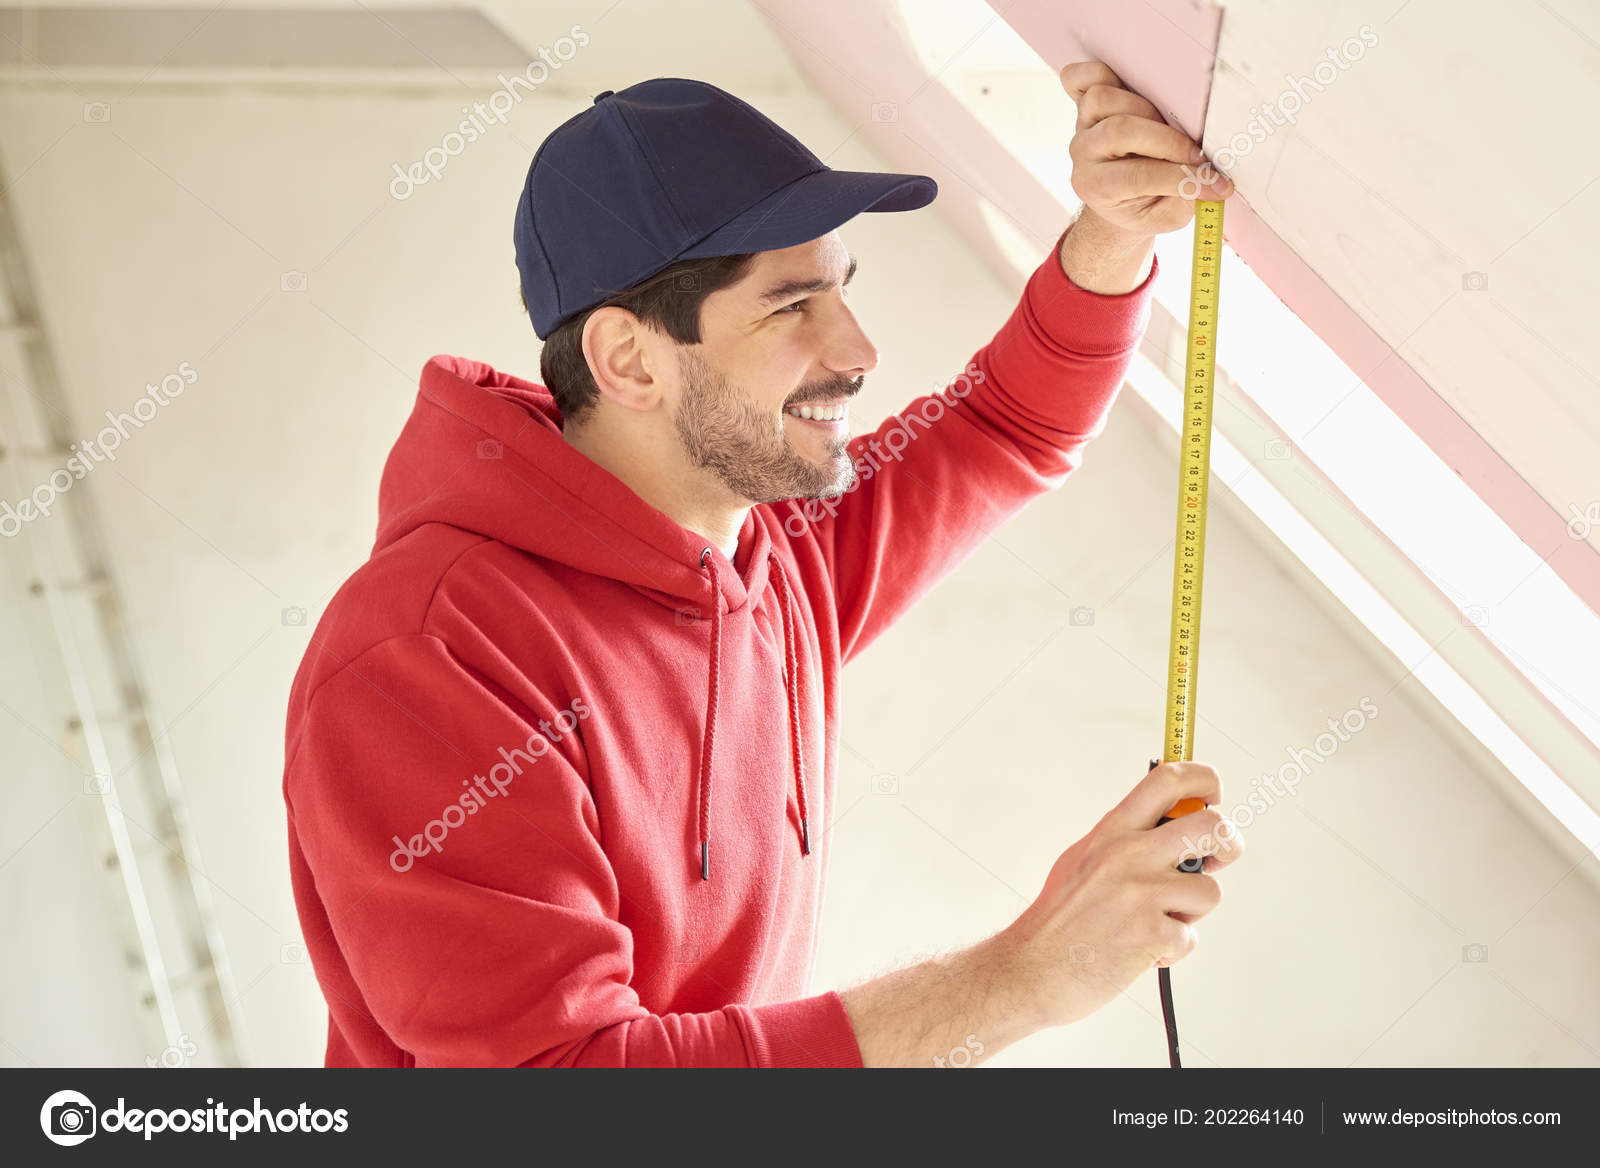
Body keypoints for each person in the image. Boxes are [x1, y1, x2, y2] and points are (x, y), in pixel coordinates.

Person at [282, 64, 1240, 1068]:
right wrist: (1020, 977)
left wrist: (1115, 229)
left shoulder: (768, 552)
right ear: (629, 361)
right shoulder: (429, 655)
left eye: (842, 289)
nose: (858, 350)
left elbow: (1006, 426)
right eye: (792, 308)